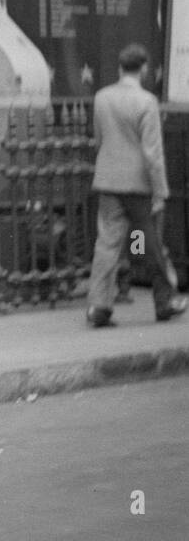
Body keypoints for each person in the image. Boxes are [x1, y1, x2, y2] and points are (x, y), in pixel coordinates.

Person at [87, 43, 187, 328]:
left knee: (106, 244)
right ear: (144, 69)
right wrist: (160, 189)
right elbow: (153, 153)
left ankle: (98, 306)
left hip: (108, 180)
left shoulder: (102, 97)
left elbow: (98, 138)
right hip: (139, 185)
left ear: (120, 68)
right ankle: (164, 302)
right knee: (152, 245)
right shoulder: (147, 102)